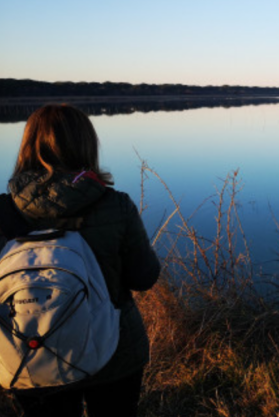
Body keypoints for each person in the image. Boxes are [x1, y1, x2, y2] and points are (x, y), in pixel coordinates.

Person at [0, 104, 161, 416]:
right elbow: (144, 278)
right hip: (116, 349)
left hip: (30, 355)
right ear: (87, 144)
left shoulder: (3, 212)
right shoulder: (116, 205)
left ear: (27, 147)